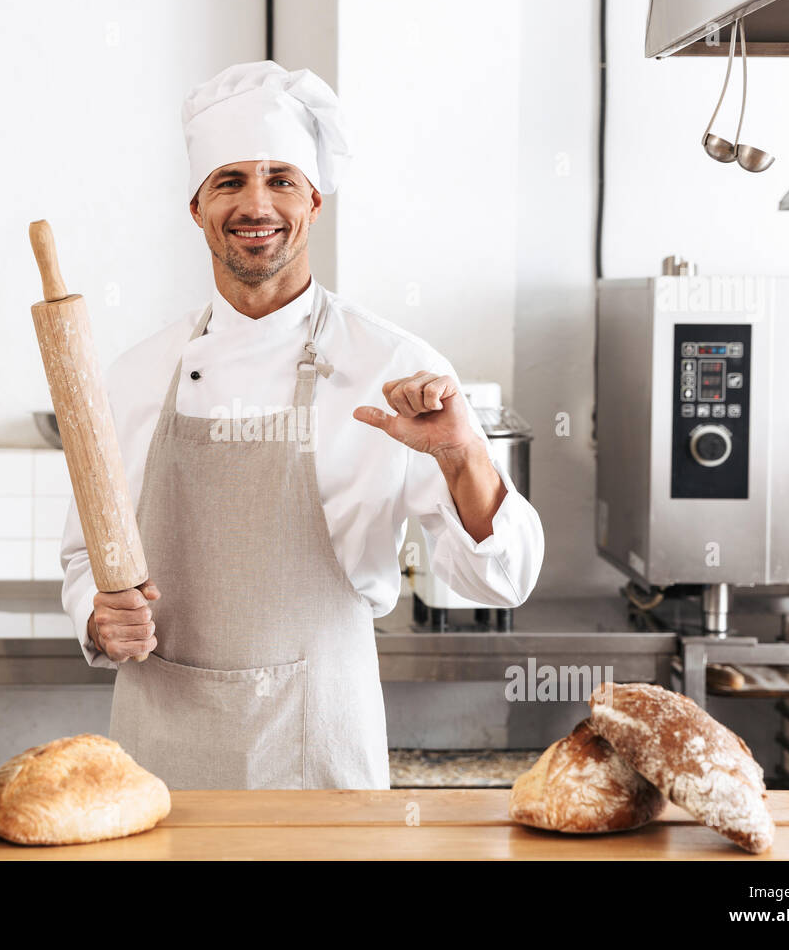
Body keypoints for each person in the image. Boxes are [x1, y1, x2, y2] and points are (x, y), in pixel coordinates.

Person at [60, 60, 544, 789]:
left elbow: (503, 580)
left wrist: (462, 454)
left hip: (323, 761)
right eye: (230, 181)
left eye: (280, 179)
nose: (257, 204)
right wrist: (97, 618)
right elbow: (79, 559)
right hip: (159, 771)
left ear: (315, 202)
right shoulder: (132, 376)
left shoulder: (393, 366)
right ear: (196, 207)